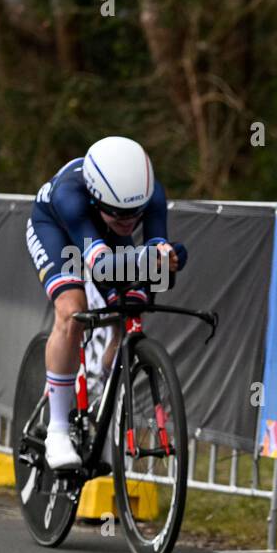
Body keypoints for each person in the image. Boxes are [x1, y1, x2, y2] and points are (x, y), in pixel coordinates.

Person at [24, 136, 187, 470]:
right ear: (98, 199)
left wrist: (169, 258)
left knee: (132, 303)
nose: (129, 220)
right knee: (72, 312)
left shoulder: (152, 193)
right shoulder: (70, 196)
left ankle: (104, 375)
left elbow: (156, 261)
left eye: (135, 214)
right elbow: (101, 266)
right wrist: (153, 258)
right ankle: (56, 429)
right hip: (56, 228)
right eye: (119, 213)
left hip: (106, 236)